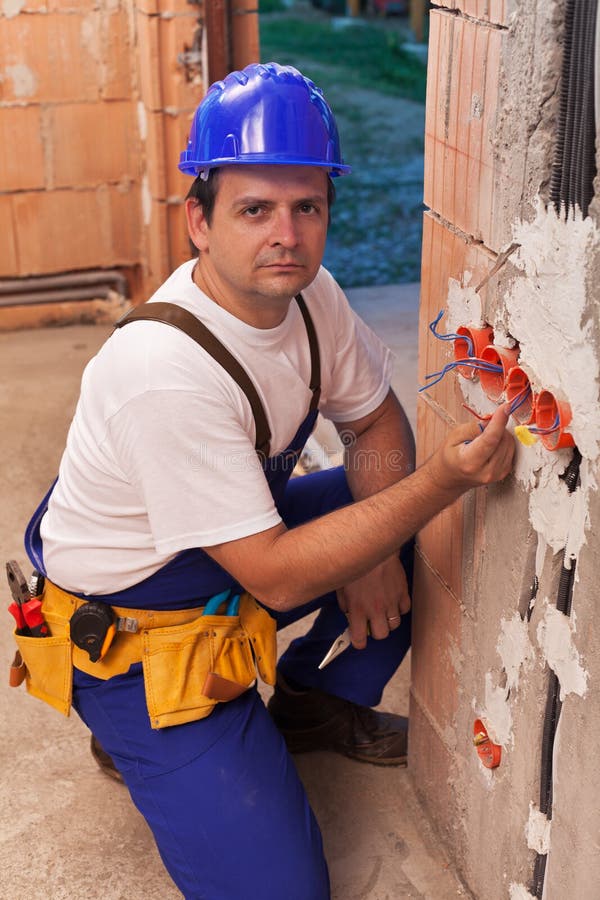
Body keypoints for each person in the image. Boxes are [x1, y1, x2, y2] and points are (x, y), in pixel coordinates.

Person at [18, 63, 514, 899]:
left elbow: (373, 421)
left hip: (236, 540)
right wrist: (430, 490)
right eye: (254, 209)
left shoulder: (312, 296)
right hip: (141, 627)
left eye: (306, 207)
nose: (286, 234)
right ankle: (134, 733)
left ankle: (312, 702)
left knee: (412, 539)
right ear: (199, 222)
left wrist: (372, 547)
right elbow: (278, 572)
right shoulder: (164, 371)